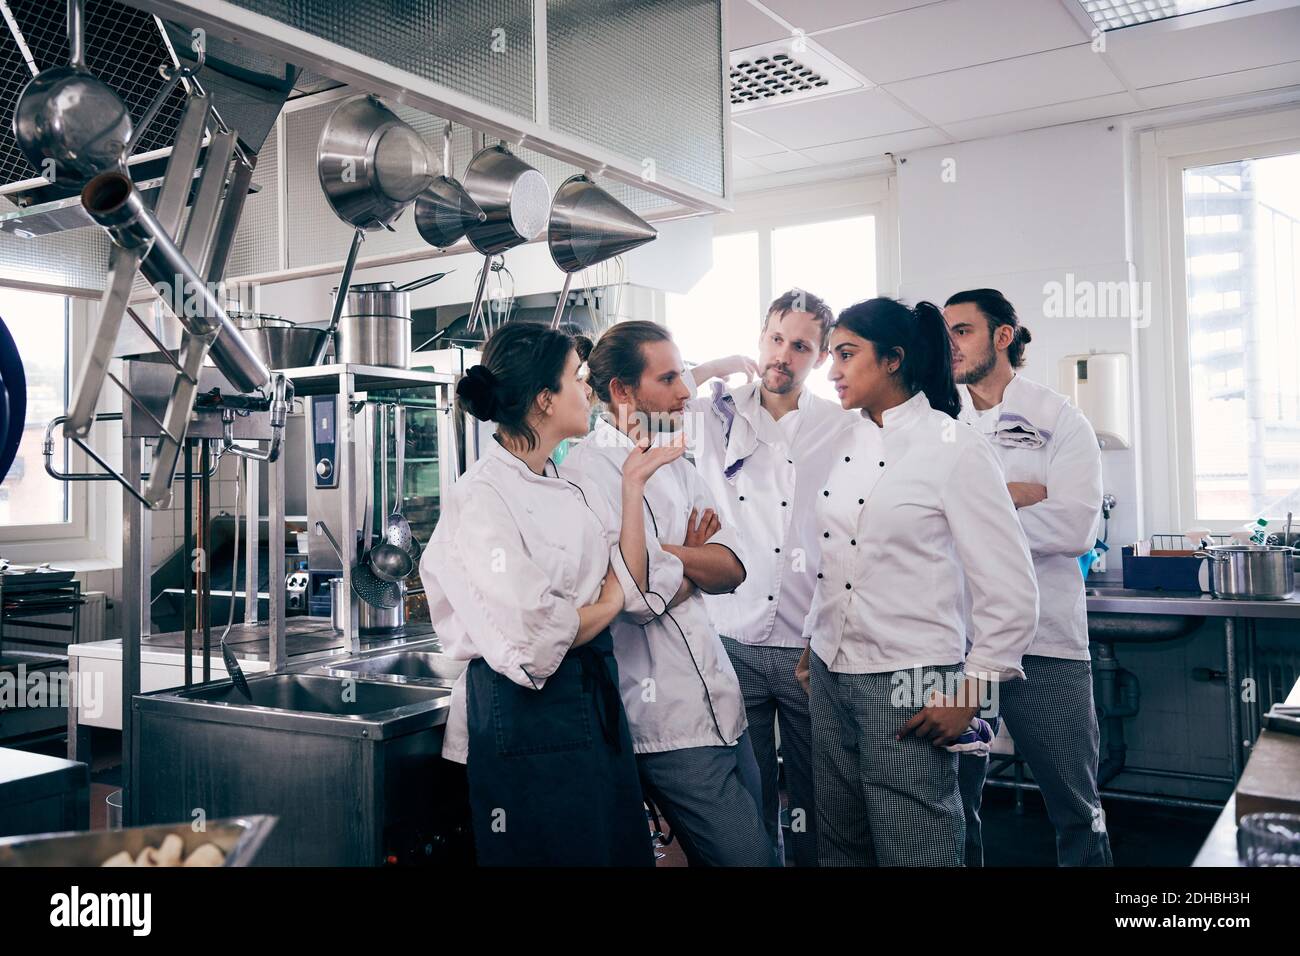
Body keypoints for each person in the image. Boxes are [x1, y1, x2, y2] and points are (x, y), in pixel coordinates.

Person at [801, 297, 1039, 867]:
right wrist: (815, 640)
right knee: (840, 844)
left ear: (893, 360)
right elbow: (837, 554)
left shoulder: (952, 447)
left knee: (918, 849)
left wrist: (973, 690)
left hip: (910, 681)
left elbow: (1010, 588)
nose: (832, 369)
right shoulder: (847, 439)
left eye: (847, 354)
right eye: (832, 355)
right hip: (833, 674)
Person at [419, 322, 663, 867]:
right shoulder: (481, 497)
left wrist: (631, 489)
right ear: (544, 400)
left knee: (615, 852)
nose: (589, 391)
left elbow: (633, 580)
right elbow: (536, 638)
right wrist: (607, 599)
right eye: (578, 379)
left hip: (593, 701)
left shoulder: (573, 485)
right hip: (530, 714)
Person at [559, 320, 776, 867]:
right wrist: (678, 562)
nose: (687, 391)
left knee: (764, 850)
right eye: (670, 377)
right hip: (665, 723)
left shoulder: (675, 460)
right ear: (623, 392)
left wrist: (664, 555)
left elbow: (733, 567)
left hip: (725, 704)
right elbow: (634, 601)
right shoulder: (589, 472)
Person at [678, 289, 854, 866]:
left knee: (815, 796)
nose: (783, 355)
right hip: (730, 635)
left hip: (807, 639)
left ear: (821, 356)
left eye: (801, 346)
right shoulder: (714, 413)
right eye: (775, 339)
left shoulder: (839, 425)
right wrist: (719, 367)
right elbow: (644, 411)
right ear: (760, 337)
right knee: (746, 795)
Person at [944, 288, 1113, 867]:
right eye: (946, 332)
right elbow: (924, 522)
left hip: (1047, 641)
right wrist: (1013, 500)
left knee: (1074, 803)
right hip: (962, 642)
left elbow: (1072, 526)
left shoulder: (1059, 417)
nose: (951, 344)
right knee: (953, 803)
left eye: (962, 330)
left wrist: (972, 515)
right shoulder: (942, 419)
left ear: (1003, 336)